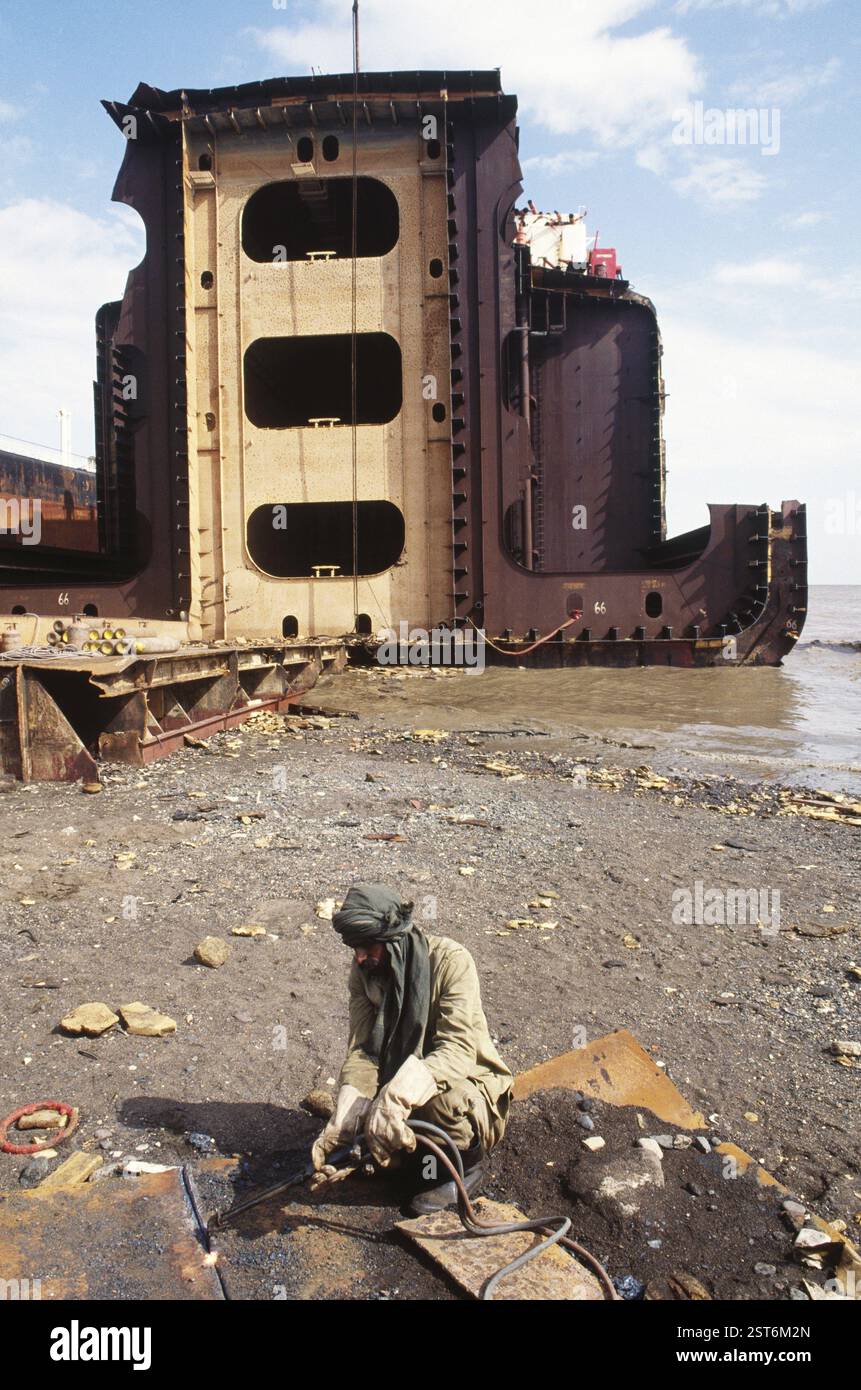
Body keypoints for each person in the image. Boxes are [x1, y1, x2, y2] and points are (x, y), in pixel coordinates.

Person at [311, 883, 513, 1214]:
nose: (359, 957)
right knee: (368, 1126)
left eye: (367, 947)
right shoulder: (366, 972)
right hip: (402, 1076)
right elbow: (364, 1050)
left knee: (445, 1105)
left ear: (393, 939)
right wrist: (346, 1116)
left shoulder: (451, 962)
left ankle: (461, 1169)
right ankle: (412, 1155)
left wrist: (395, 1097)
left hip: (466, 1081)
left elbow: (457, 1050)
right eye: (354, 947)